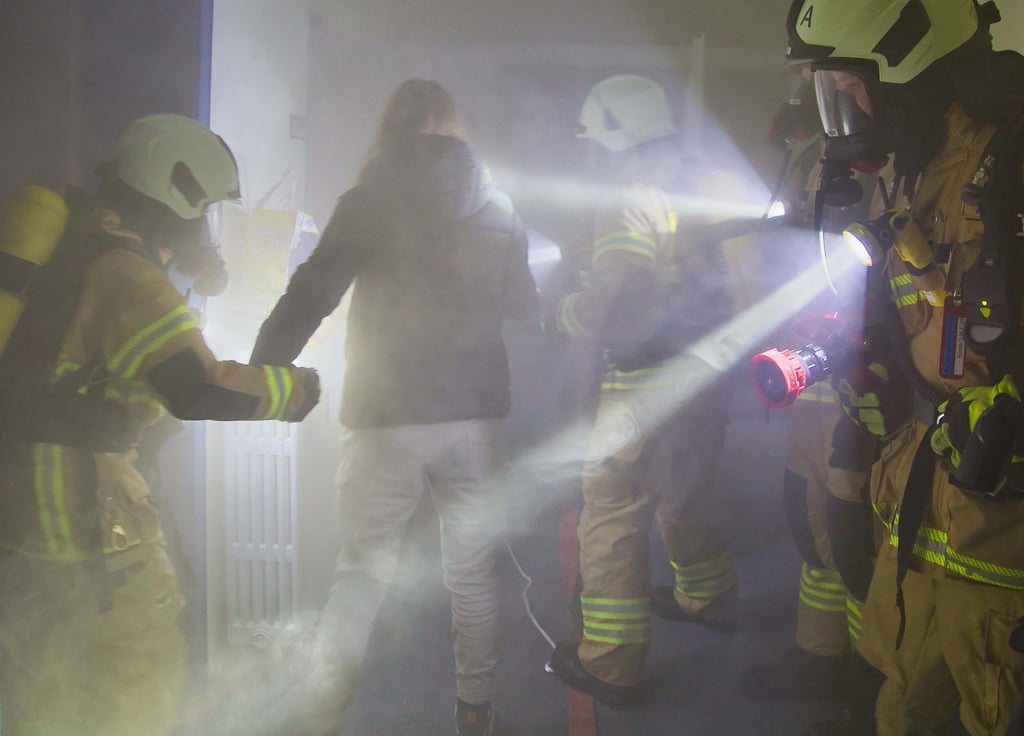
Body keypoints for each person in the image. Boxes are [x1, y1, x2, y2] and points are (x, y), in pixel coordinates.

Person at [0, 114, 320, 736]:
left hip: (28, 527)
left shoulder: (75, 249)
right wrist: (299, 390)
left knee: (44, 690)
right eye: (206, 211)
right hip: (92, 533)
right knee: (138, 684)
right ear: (177, 201)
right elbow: (198, 387)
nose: (209, 229)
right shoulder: (129, 277)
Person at [249, 78, 538, 736]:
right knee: (471, 571)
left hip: (387, 413)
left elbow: (311, 292)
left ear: (393, 129)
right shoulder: (497, 202)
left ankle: (322, 716)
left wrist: (261, 368)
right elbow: (524, 304)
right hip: (472, 414)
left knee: (361, 573)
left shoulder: (370, 196)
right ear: (452, 126)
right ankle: (475, 713)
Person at [786, 1, 1024, 733]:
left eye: (849, 90)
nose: (846, 116)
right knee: (901, 699)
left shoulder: (1008, 162)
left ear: (908, 57)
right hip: (931, 506)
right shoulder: (928, 166)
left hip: (999, 537)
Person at [544, 74, 739, 709]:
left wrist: (566, 313)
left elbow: (615, 299)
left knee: (613, 512)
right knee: (689, 487)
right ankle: (706, 598)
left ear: (613, 140)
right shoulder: (700, 182)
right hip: (705, 372)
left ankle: (609, 664)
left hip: (642, 381)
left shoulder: (630, 197)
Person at [740, 71, 878, 704]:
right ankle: (820, 659)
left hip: (866, 396)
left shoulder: (894, 159)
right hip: (809, 382)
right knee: (810, 525)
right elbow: (781, 247)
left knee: (856, 546)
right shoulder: (811, 157)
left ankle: (865, 682)